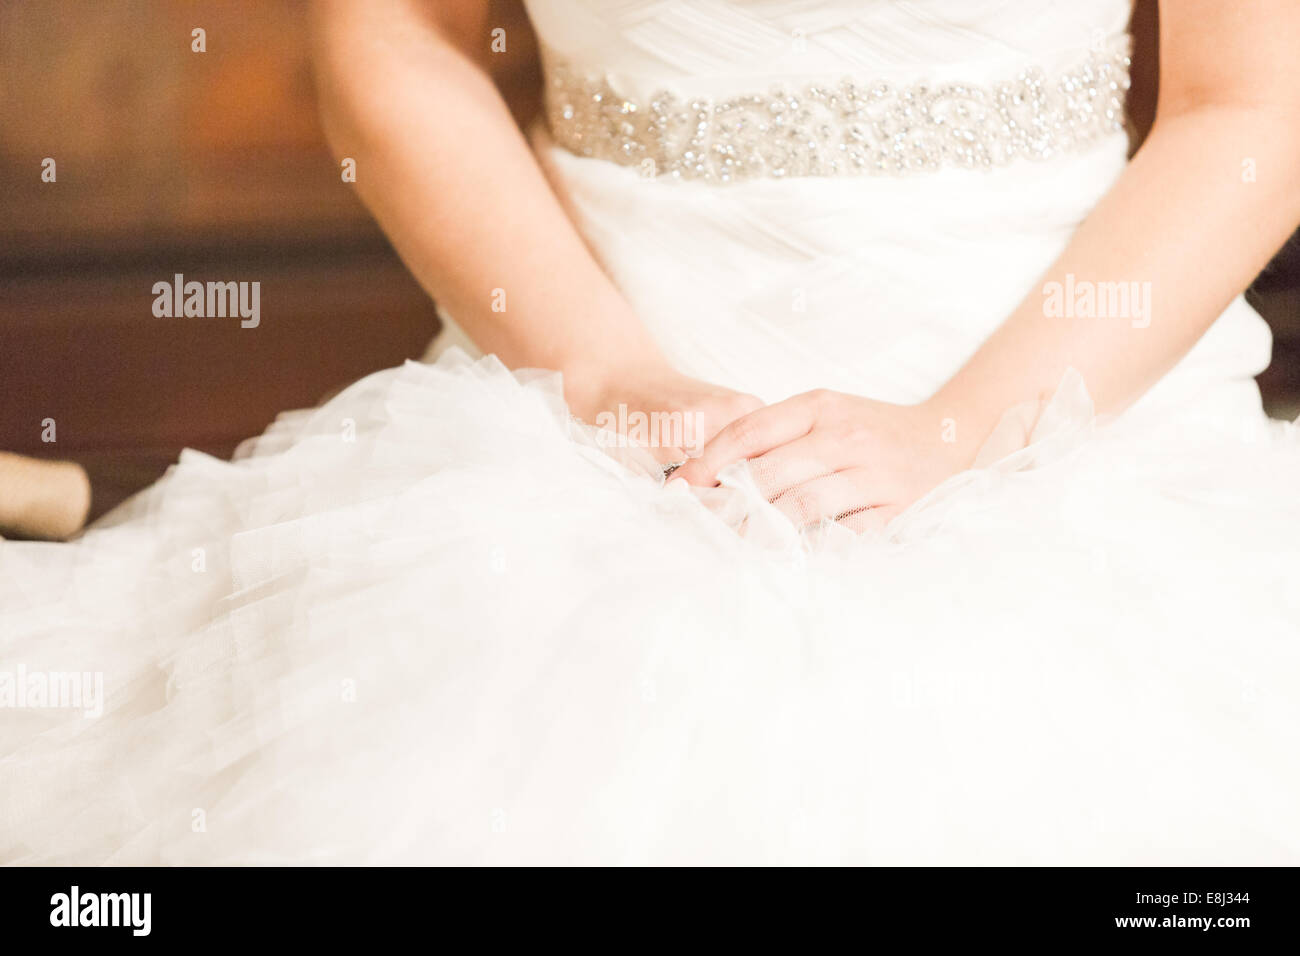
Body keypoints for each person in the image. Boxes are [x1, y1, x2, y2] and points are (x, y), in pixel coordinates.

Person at [2, 0, 1298, 864]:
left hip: (1085, 398)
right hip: (585, 392)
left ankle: (90, 492)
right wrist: (607, 377)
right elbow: (393, 36)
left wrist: (964, 434)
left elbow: (1252, 104)